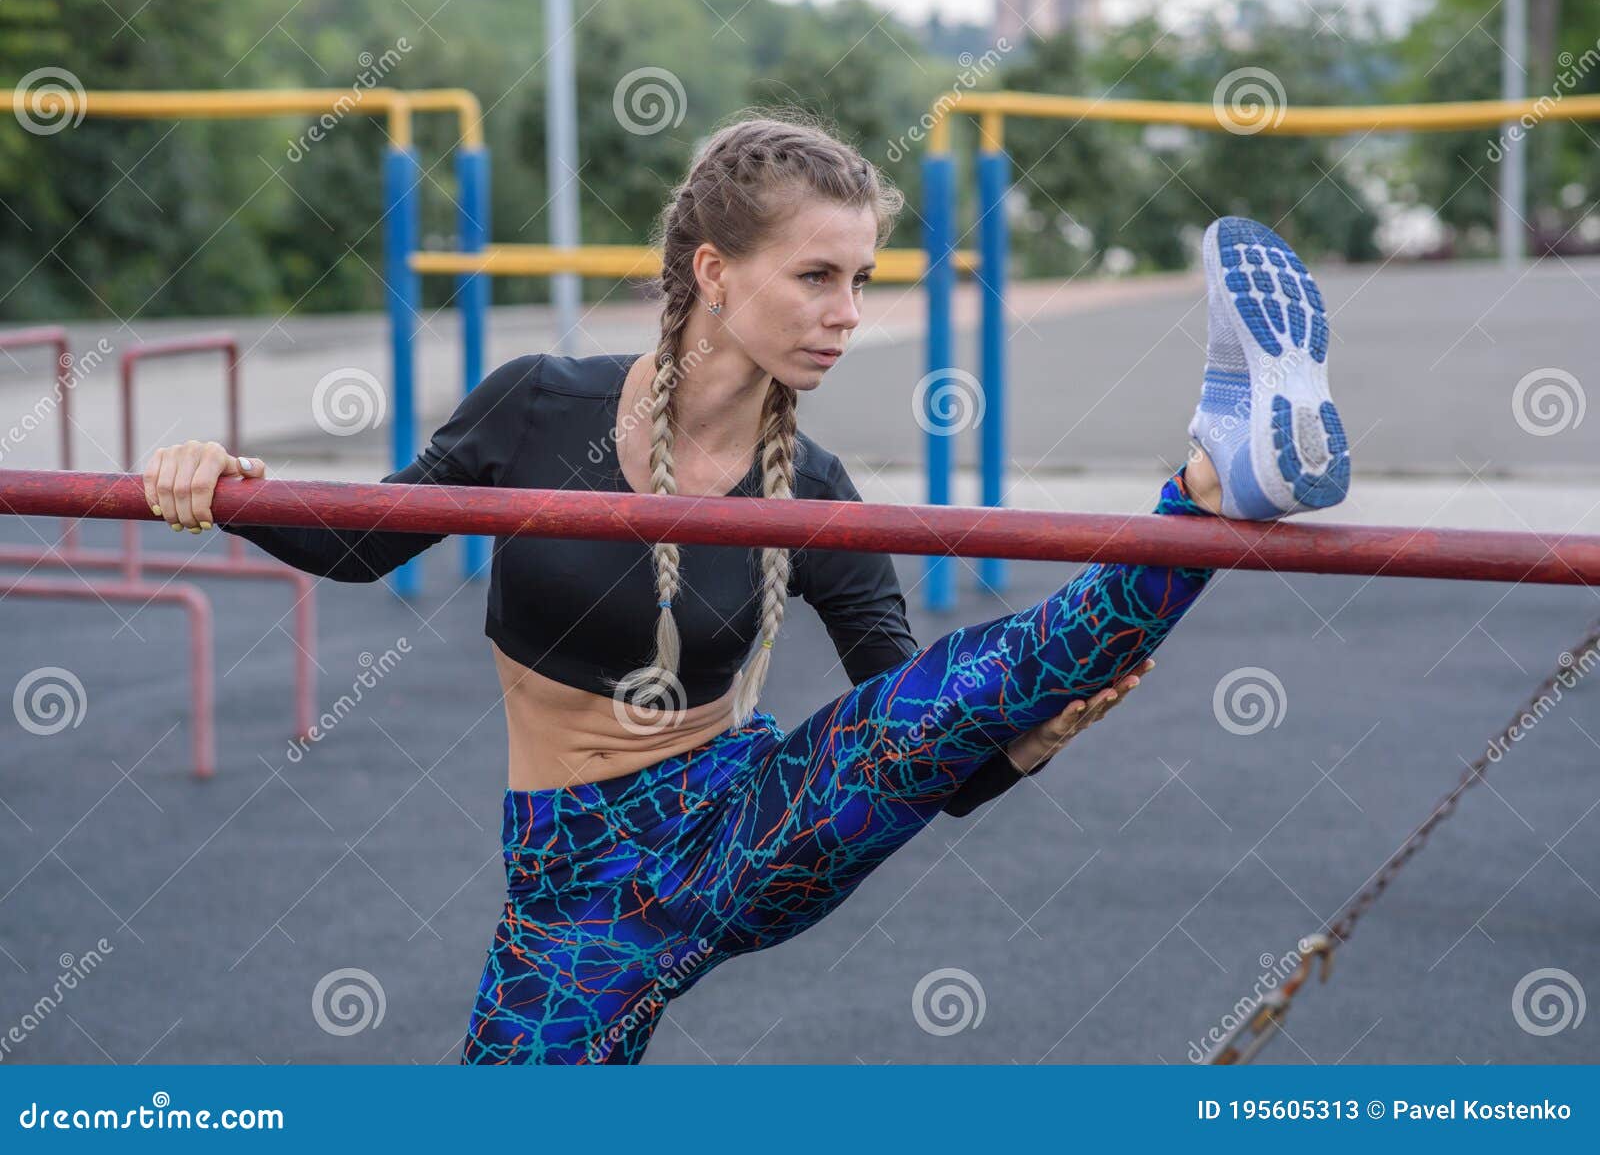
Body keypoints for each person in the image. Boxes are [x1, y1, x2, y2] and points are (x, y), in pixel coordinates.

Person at [141, 111, 1348, 1064]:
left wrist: (1020, 751)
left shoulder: (813, 491)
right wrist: (228, 484)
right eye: (818, 276)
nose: (848, 315)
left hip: (741, 815)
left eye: (862, 279)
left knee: (973, 684)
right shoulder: (539, 404)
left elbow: (911, 727)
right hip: (573, 880)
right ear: (715, 272)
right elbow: (361, 545)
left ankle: (1214, 474)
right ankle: (1216, 468)